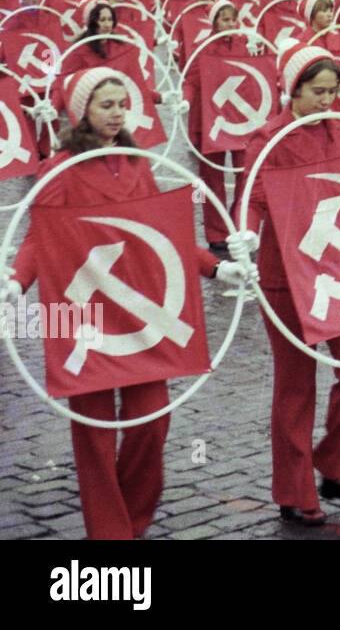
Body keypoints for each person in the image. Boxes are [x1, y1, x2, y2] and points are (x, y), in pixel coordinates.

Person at [9, 68, 236, 539]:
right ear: (82, 111)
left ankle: (133, 522)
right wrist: (16, 281)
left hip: (139, 316)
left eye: (121, 104)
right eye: (105, 105)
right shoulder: (60, 169)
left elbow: (164, 233)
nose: (116, 114)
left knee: (151, 422)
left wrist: (214, 268)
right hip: (84, 315)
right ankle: (109, 536)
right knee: (93, 435)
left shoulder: (137, 161)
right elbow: (39, 237)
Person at [243, 45, 340, 525]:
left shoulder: (339, 128)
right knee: (296, 385)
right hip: (287, 276)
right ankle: (295, 489)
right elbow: (255, 196)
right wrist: (243, 232)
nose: (327, 101)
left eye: (333, 92)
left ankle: (338, 469)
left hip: (339, 272)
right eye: (318, 92)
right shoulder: (266, 138)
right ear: (292, 91)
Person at [183, 0, 252, 253]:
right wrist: (186, 101)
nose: (230, 24)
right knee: (209, 179)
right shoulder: (203, 47)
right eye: (224, 19)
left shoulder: (245, 44)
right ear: (214, 22)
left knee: (245, 172)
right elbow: (190, 80)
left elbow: (258, 78)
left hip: (239, 121)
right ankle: (216, 232)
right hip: (209, 122)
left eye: (233, 19)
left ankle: (240, 224)